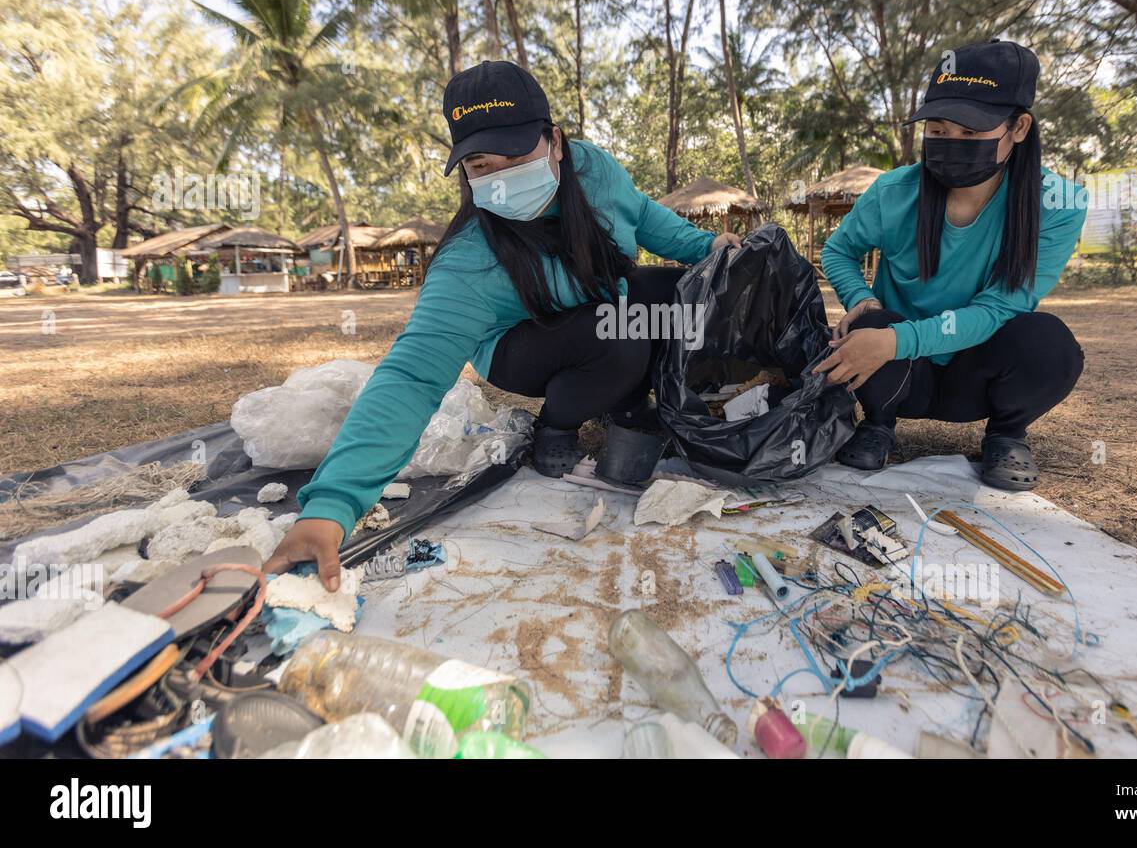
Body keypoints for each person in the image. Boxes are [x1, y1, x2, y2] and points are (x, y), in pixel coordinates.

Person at [267, 61, 740, 587]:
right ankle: (556, 427)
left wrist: (709, 251)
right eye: (481, 164)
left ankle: (625, 400)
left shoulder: (594, 171)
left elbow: (645, 216)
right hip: (519, 349)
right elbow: (412, 377)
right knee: (623, 332)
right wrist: (330, 505)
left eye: (518, 154)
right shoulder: (471, 259)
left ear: (556, 142)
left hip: (597, 307)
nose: (503, 176)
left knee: (680, 295)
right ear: (464, 171)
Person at [815, 39, 1087, 492]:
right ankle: (880, 423)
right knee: (872, 320)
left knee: (1049, 344)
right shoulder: (894, 192)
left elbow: (1000, 309)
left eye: (971, 132)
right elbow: (837, 251)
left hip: (974, 373)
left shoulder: (1057, 204)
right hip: (899, 374)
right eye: (938, 132)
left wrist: (894, 340)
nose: (951, 144)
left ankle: (1006, 434)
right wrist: (861, 302)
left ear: (1018, 128)